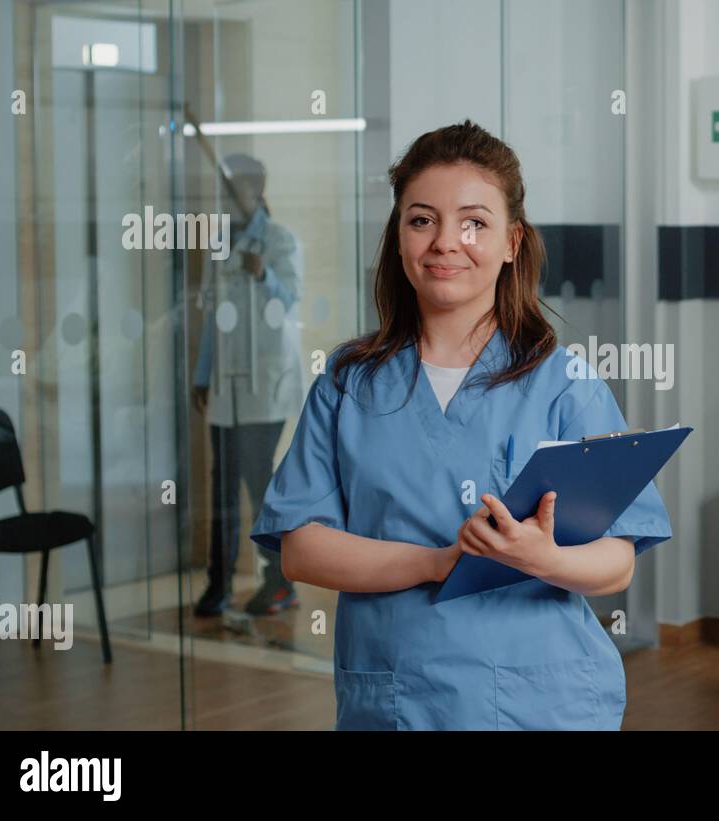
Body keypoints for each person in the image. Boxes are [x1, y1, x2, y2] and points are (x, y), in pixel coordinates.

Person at [249, 121, 672, 730]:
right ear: (398, 238)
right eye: (422, 220)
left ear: (512, 242)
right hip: (399, 697)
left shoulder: (565, 384)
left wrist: (539, 557)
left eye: (474, 222)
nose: (447, 241)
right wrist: (435, 562)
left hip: (541, 700)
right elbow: (301, 548)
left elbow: (617, 560)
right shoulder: (347, 384)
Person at [192, 154, 306, 617]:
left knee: (258, 479)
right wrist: (202, 376)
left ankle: (280, 581)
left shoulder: (279, 239)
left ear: (256, 191)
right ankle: (217, 585)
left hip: (266, 386)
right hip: (226, 386)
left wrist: (265, 274)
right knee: (222, 486)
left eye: (235, 189)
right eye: (225, 190)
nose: (228, 198)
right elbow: (210, 319)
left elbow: (293, 295)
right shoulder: (219, 244)